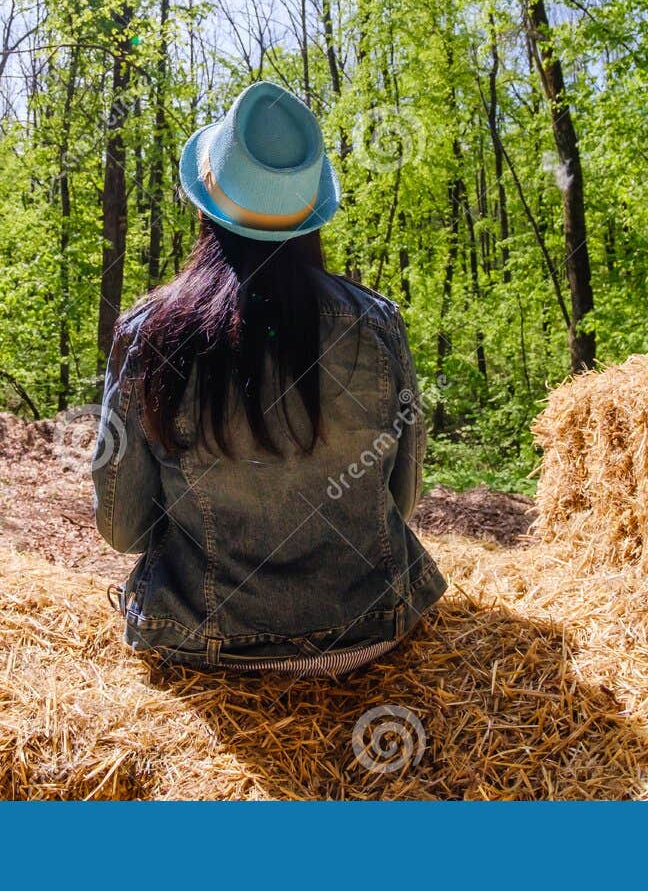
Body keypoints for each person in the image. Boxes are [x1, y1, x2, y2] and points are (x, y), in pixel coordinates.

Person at [92, 80, 445, 674]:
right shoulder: (378, 324)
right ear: (311, 215)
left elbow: (122, 527)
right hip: (373, 628)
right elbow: (401, 499)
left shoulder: (149, 333)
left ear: (206, 208)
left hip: (203, 642)